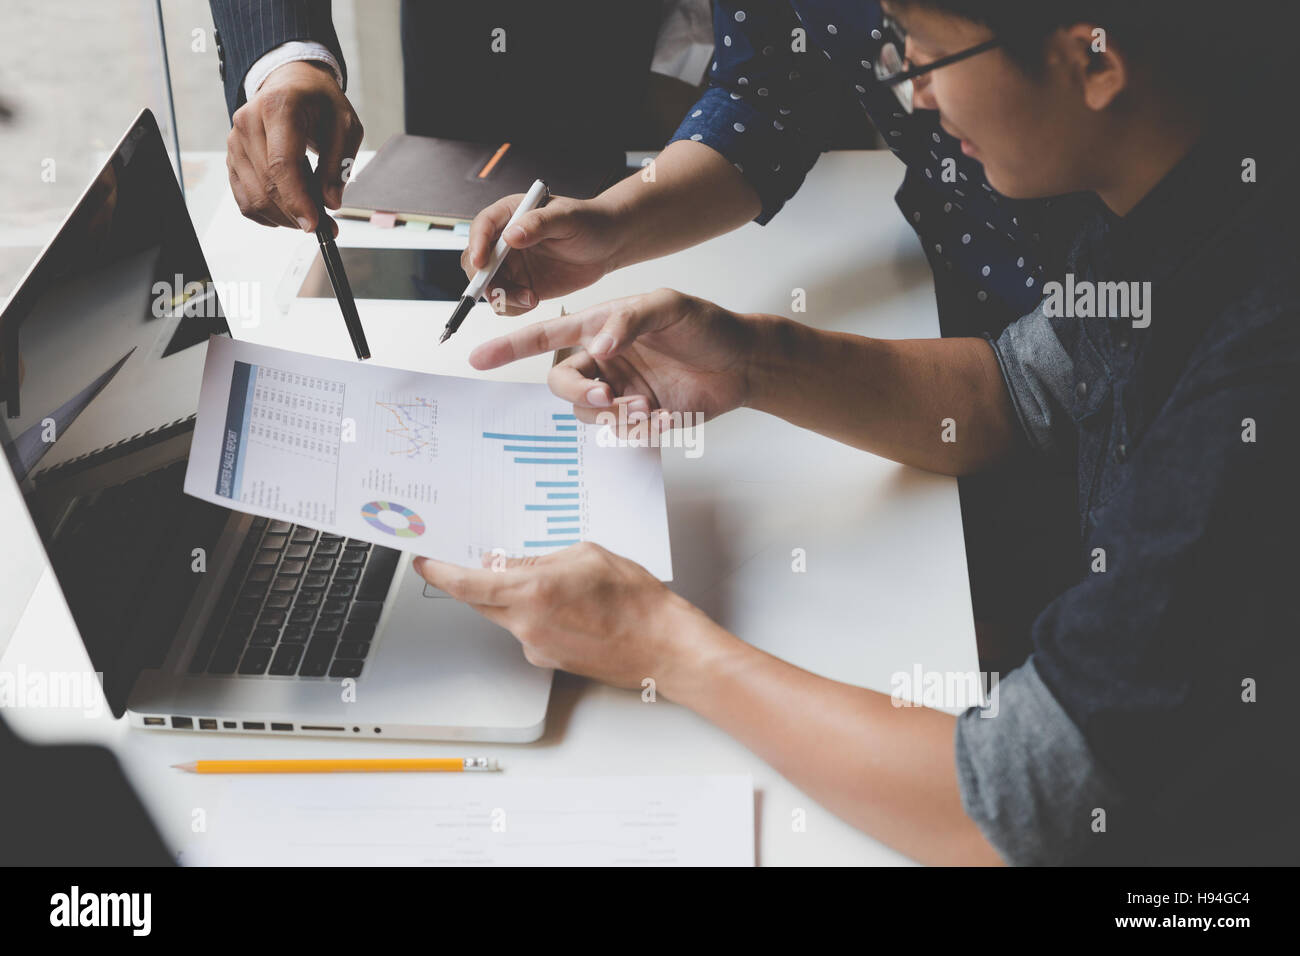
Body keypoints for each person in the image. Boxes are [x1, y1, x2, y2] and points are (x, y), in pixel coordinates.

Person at [414, 0, 1300, 865]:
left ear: (1095, 62)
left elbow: (1025, 800)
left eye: (924, 56)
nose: (910, 98)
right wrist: (752, 361)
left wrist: (660, 644)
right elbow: (1031, 389)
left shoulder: (1256, 367)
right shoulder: (1173, 189)